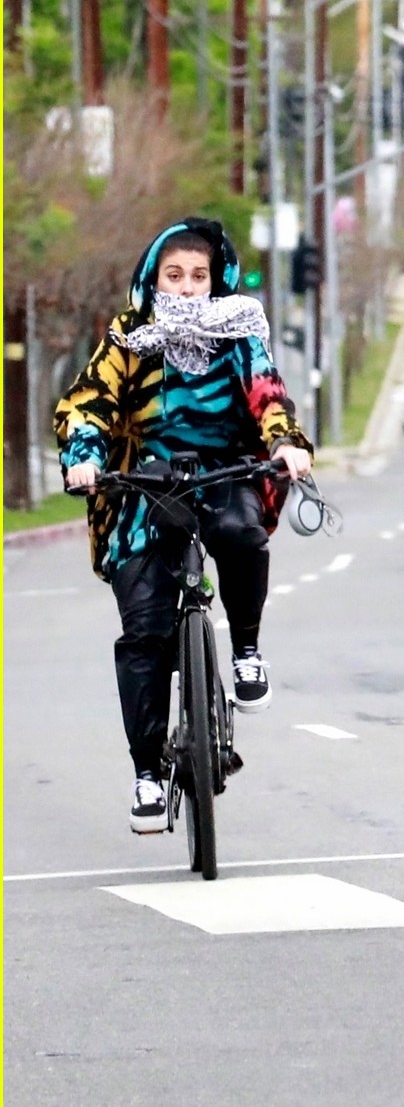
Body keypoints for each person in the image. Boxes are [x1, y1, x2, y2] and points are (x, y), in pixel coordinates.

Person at [54, 217, 313, 835]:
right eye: (175, 275)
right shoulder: (128, 337)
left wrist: (284, 442)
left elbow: (267, 392)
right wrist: (84, 459)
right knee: (144, 631)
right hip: (145, 484)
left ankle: (246, 651)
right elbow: (87, 404)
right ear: (153, 278)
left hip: (225, 470)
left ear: (216, 280)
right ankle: (146, 773)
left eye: (199, 276)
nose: (188, 287)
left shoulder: (242, 329)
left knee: (242, 534)